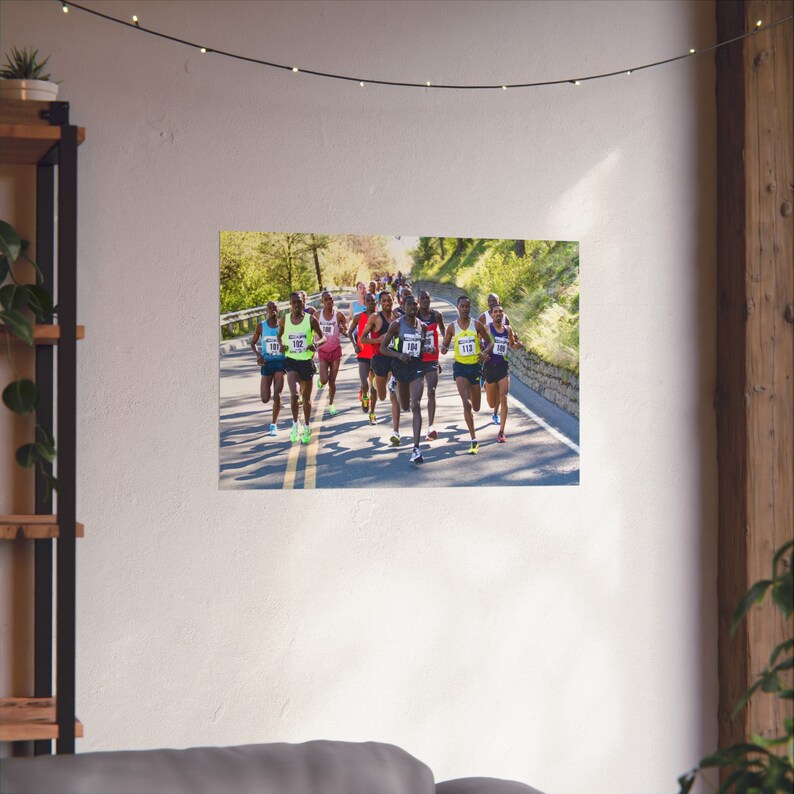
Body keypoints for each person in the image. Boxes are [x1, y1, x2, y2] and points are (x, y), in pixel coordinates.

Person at [440, 295, 491, 454]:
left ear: (470, 308)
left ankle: (471, 394)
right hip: (460, 367)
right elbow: (445, 346)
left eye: (467, 306)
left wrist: (483, 353)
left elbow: (490, 343)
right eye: (462, 306)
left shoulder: (477, 325)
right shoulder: (452, 327)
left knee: (476, 407)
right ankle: (474, 439)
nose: (464, 309)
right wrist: (442, 349)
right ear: (458, 307)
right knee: (466, 403)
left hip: (474, 367)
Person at [379, 295, 427, 463]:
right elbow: (383, 348)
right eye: (409, 304)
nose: (413, 307)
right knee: (405, 405)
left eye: (415, 304)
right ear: (404, 306)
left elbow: (422, 348)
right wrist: (399, 355)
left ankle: (416, 448)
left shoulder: (423, 327)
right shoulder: (396, 325)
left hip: (416, 368)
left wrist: (429, 350)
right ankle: (394, 385)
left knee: (415, 405)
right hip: (400, 368)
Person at [278, 292, 325, 444]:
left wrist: (316, 344)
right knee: (294, 394)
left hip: (306, 362)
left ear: (303, 302)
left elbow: (323, 337)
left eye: (299, 302)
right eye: (294, 302)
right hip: (291, 360)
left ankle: (306, 426)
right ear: (290, 304)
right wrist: (281, 345)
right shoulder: (285, 320)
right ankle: (294, 424)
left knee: (306, 398)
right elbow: (279, 335)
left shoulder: (311, 320)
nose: (297, 305)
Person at [358, 290, 399, 437]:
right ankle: (374, 386)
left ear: (393, 300)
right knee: (381, 396)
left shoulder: (397, 317)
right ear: (380, 303)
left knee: (394, 389)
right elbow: (362, 339)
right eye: (384, 301)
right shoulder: (375, 318)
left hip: (394, 358)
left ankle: (396, 428)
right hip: (379, 359)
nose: (387, 303)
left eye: (389, 300)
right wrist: (378, 340)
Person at [482, 304, 523, 442]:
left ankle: (501, 432)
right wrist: (482, 353)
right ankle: (487, 386)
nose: (498, 314)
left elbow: (511, 345)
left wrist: (518, 345)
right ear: (492, 315)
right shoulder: (487, 328)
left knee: (504, 397)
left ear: (503, 314)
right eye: (495, 312)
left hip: (503, 367)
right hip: (489, 367)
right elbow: (478, 341)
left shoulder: (508, 329)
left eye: (500, 312)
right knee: (492, 404)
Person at [250, 301, 285, 436]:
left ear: (278, 309)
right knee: (265, 398)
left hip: (280, 363)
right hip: (266, 363)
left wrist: (284, 347)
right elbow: (253, 343)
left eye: (274, 307)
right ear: (266, 310)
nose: (272, 310)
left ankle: (273, 424)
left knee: (277, 395)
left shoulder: (283, 325)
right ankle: (275, 405)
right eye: (269, 308)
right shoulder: (261, 326)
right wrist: (258, 354)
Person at [417, 290, 445, 441]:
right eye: (423, 298)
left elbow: (442, 329)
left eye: (428, 298)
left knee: (431, 391)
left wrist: (445, 342)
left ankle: (430, 427)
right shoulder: (414, 316)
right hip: (417, 359)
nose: (426, 300)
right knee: (415, 396)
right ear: (418, 300)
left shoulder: (436, 315)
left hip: (432, 359)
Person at [315, 291, 348, 416]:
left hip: (335, 351)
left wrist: (343, 330)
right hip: (323, 351)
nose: (329, 301)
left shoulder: (339, 315)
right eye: (326, 299)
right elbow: (311, 329)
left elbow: (346, 330)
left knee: (332, 381)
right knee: (324, 380)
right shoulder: (317, 315)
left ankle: (331, 404)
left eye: (331, 299)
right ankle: (321, 379)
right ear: (322, 302)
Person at [349, 292, 378, 422]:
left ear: (376, 302)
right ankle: (364, 396)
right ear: (364, 303)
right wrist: (355, 345)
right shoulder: (358, 317)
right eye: (368, 301)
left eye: (373, 300)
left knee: (375, 386)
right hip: (363, 355)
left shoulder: (379, 318)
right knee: (364, 383)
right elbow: (350, 332)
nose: (371, 303)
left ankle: (372, 413)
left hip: (377, 356)